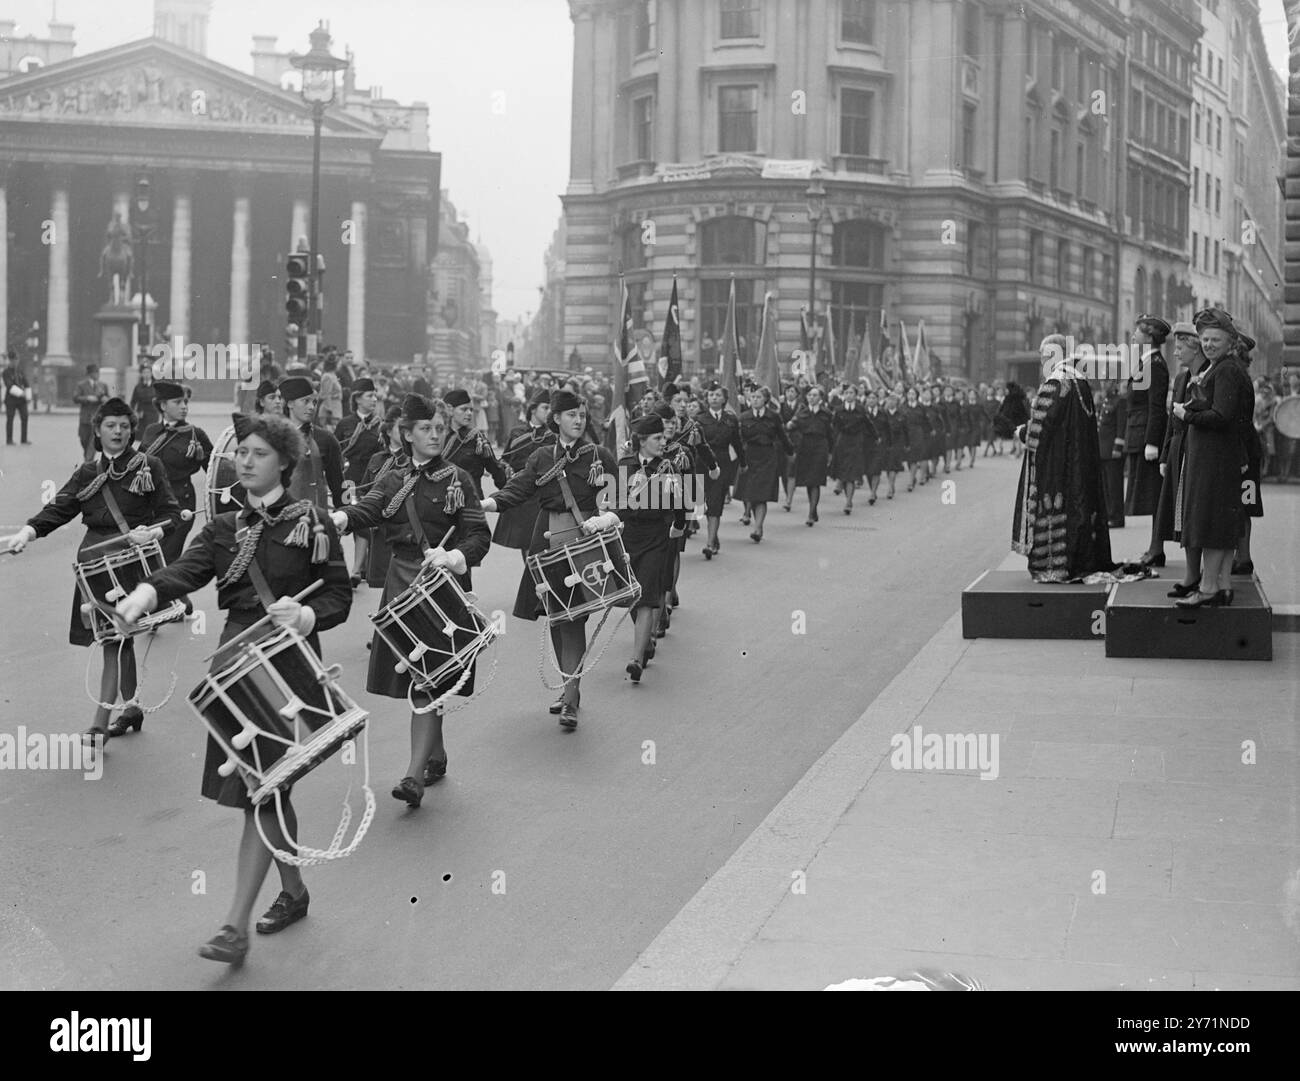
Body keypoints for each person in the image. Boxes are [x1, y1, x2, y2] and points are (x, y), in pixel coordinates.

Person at [114, 411, 351, 965]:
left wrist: (309, 618)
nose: (245, 461)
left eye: (258, 453)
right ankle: (293, 891)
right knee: (264, 787)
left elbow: (337, 594)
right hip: (235, 660)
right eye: (241, 451)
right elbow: (189, 570)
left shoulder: (313, 521)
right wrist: (146, 593)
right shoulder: (225, 526)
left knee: (264, 790)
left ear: (285, 464)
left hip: (288, 661)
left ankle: (234, 927)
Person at [333, 395, 491, 805]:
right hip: (402, 581)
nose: (436, 434)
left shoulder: (459, 479)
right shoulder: (391, 476)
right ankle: (434, 755)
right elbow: (370, 509)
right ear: (406, 434)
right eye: (426, 428)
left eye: (439, 428)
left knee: (428, 680)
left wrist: (454, 556)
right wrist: (341, 518)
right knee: (419, 677)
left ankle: (412, 777)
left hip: (441, 586)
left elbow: (479, 537)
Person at [3, 398, 181, 745]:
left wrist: (155, 530)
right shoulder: (88, 472)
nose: (119, 432)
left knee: (114, 641)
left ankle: (100, 724)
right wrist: (28, 531)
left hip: (130, 564)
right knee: (116, 639)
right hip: (95, 567)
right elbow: (60, 508)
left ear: (132, 430)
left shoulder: (148, 465)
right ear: (97, 431)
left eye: (125, 426)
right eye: (111, 426)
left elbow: (172, 514)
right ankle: (130, 709)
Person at [479, 389, 619, 730]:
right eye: (571, 415)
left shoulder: (598, 455)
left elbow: (621, 497)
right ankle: (570, 686)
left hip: (584, 543)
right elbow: (518, 490)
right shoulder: (542, 456)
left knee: (575, 620)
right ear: (555, 419)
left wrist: (606, 517)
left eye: (582, 415)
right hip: (548, 543)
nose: (579, 420)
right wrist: (483, 505)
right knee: (557, 617)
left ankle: (570, 697)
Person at [1012, 337, 1114, 582]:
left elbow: (1042, 429)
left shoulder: (1056, 382)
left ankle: (1053, 567)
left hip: (1056, 464)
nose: (1042, 359)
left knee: (1055, 510)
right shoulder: (1080, 381)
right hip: (1078, 462)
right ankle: (1078, 561)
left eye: (1044, 353)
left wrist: (1022, 432)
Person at [1172, 309, 1256, 607]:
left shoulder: (1227, 370)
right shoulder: (1225, 367)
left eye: (1215, 339)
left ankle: (1208, 588)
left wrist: (1187, 413)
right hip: (1215, 456)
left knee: (1211, 524)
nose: (1208, 344)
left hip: (1216, 459)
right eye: (1205, 339)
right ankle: (1221, 585)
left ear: (1230, 341)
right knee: (1218, 523)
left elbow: (1222, 416)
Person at [617, 411, 686, 682]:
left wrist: (678, 525)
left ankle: (635, 659)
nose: (662, 441)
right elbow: (614, 501)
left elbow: (681, 501)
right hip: (628, 536)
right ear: (642, 440)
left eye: (662, 436)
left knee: (646, 594)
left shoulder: (669, 466)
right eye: (656, 437)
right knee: (633, 594)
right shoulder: (625, 465)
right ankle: (645, 641)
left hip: (657, 535)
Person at [1156, 323, 1208, 597]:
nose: (1175, 353)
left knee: (1193, 514)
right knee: (1180, 516)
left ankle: (1197, 576)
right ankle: (1191, 575)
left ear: (1194, 346)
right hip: (1179, 449)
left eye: (1180, 347)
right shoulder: (1181, 379)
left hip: (1197, 450)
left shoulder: (1208, 376)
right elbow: (1171, 420)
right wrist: (1166, 454)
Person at [138, 381, 212, 565]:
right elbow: (137, 465)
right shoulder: (150, 431)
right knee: (150, 560)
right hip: (151, 506)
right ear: (163, 405)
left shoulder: (195, 434)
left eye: (185, 402)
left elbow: (213, 470)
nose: (184, 407)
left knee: (166, 558)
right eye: (178, 402)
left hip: (180, 506)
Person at [1124, 315, 1172, 567]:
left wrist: (1152, 442)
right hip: (1139, 433)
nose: (1133, 336)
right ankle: (1154, 548)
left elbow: (1155, 407)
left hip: (1146, 437)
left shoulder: (1154, 365)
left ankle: (1156, 550)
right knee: (1150, 494)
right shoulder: (1146, 362)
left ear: (1150, 336)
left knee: (1154, 496)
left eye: (1138, 332)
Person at [332, 378, 384, 586]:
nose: (374, 399)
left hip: (373, 480)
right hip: (349, 481)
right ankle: (335, 567)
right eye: (369, 396)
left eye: (375, 396)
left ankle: (356, 571)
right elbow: (335, 453)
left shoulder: (381, 425)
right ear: (357, 399)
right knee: (345, 519)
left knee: (365, 523)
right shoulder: (345, 424)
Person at [494, 390, 555, 562]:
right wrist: (506, 475)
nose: (549, 412)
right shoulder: (517, 432)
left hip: (542, 497)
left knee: (542, 546)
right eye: (545, 408)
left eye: (551, 408)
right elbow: (505, 460)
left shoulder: (552, 435)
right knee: (526, 546)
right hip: (522, 497)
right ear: (533, 409)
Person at [734, 386, 793, 542]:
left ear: (766, 400)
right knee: (752, 494)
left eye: (758, 397)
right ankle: (756, 524)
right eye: (753, 397)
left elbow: (782, 436)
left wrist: (790, 452)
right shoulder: (744, 416)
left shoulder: (773, 416)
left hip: (767, 458)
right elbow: (738, 439)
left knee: (761, 495)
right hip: (749, 457)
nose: (755, 399)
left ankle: (758, 527)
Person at [279, 375, 344, 510]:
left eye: (314, 402)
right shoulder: (273, 437)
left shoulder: (326, 439)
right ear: (290, 404)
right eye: (305, 401)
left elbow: (339, 486)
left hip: (316, 518)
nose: (311, 407)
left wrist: (346, 515)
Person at [696, 383, 745, 558]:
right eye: (711, 395)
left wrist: (743, 463)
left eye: (718, 395)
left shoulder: (731, 419)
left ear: (724, 399)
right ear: (707, 399)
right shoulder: (699, 419)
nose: (714, 398)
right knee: (704, 504)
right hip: (702, 465)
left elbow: (737, 443)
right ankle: (713, 537)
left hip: (721, 464)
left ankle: (709, 543)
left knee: (715, 503)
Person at [1230, 328, 1264, 577]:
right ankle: (1242, 556)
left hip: (1243, 450)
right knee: (1243, 504)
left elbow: (1239, 421)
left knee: (1243, 504)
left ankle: (1243, 557)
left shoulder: (1237, 376)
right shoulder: (1241, 374)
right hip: (1248, 448)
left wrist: (1239, 455)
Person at [442, 388, 510, 499]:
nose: (469, 413)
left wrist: (510, 493)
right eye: (464, 409)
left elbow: (495, 469)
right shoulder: (438, 437)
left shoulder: (478, 439)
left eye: (470, 410)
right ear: (450, 410)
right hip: (442, 501)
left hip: (472, 501)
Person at [787, 385, 834, 526]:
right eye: (809, 395)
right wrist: (790, 425)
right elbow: (792, 427)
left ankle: (811, 512)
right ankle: (813, 510)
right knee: (808, 481)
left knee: (816, 481)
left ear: (820, 398)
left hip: (820, 447)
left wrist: (831, 452)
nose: (812, 398)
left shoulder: (826, 414)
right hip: (805, 447)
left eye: (815, 395)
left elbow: (831, 434)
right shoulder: (802, 413)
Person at [831, 384, 875, 513]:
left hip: (856, 444)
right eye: (846, 393)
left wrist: (875, 437)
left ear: (856, 395)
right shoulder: (839, 410)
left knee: (851, 475)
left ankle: (849, 501)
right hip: (842, 444)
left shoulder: (861, 410)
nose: (848, 395)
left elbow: (868, 425)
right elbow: (834, 428)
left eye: (851, 393)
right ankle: (846, 495)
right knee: (844, 474)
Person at [1094, 381, 1128, 529]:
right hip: (1103, 450)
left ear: (1114, 382)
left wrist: (1118, 447)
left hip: (1113, 451)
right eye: (1102, 381)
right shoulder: (1104, 401)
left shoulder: (1120, 401)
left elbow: (1121, 426)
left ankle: (1117, 516)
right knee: (1106, 486)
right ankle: (1109, 514)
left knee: (1114, 486)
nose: (1103, 384)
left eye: (1107, 381)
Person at [74, 364, 110, 461]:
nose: (97, 375)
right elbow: (75, 398)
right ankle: (87, 456)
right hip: (85, 417)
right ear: (89, 374)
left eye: (98, 372)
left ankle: (88, 461)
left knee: (93, 440)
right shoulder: (81, 385)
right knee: (84, 439)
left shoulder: (103, 385)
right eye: (95, 373)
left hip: (97, 418)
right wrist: (87, 398)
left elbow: (108, 399)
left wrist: (104, 399)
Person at [878, 391, 906, 498]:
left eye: (893, 400)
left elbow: (905, 430)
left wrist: (906, 444)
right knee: (887, 466)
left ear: (897, 402)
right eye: (889, 399)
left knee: (893, 465)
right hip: (885, 442)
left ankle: (890, 486)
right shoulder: (883, 414)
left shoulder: (901, 414)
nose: (891, 402)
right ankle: (891, 484)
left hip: (897, 442)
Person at [901, 386, 929, 490]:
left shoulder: (920, 407)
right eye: (909, 394)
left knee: (914, 458)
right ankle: (912, 476)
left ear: (916, 395)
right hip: (906, 434)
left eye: (913, 394)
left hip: (918, 434)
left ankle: (911, 481)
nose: (911, 396)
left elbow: (926, 422)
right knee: (908, 458)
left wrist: (927, 434)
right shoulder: (903, 407)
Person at [3, 350, 32, 445]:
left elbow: (27, 384)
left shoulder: (20, 371)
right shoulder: (6, 372)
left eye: (17, 360)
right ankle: (9, 439)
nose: (16, 362)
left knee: (25, 417)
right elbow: (9, 385)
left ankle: (24, 439)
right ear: (10, 360)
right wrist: (21, 393)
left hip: (21, 400)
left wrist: (28, 396)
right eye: (14, 360)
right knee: (10, 419)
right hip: (11, 399)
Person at [994, 382, 1029, 457]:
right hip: (1020, 419)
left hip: (1014, 420)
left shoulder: (1010, 398)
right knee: (1017, 435)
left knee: (1016, 435)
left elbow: (1007, 410)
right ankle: (1016, 449)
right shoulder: (1018, 397)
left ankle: (1018, 451)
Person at [130, 364, 159, 431]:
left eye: (148, 372)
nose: (146, 374)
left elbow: (160, 400)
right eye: (144, 372)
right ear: (141, 374)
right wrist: (133, 413)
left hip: (153, 413)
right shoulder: (138, 387)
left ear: (151, 374)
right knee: (142, 435)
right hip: (141, 414)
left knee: (152, 433)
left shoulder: (156, 386)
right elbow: (133, 401)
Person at [317, 355, 343, 429]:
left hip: (336, 408)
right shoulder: (327, 376)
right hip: (331, 412)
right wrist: (329, 410)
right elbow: (326, 394)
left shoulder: (333, 375)